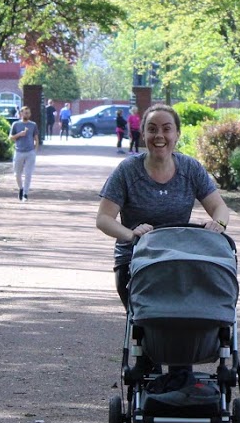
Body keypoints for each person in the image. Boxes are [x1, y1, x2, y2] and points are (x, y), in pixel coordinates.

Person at [96, 104, 232, 307]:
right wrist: (131, 234)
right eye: (152, 129)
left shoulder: (190, 168)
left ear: (177, 134)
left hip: (180, 258)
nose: (159, 135)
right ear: (142, 134)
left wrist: (218, 223)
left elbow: (219, 208)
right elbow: (104, 219)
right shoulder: (127, 171)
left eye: (166, 129)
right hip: (135, 260)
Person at [9, 105, 38, 201]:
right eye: (25, 113)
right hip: (19, 151)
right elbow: (10, 138)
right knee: (17, 174)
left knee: (28, 174)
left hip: (30, 152)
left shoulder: (33, 125)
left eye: (29, 113)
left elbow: (36, 138)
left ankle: (25, 193)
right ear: (21, 113)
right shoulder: (16, 124)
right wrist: (20, 134)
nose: (27, 114)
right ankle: (21, 188)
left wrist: (35, 150)